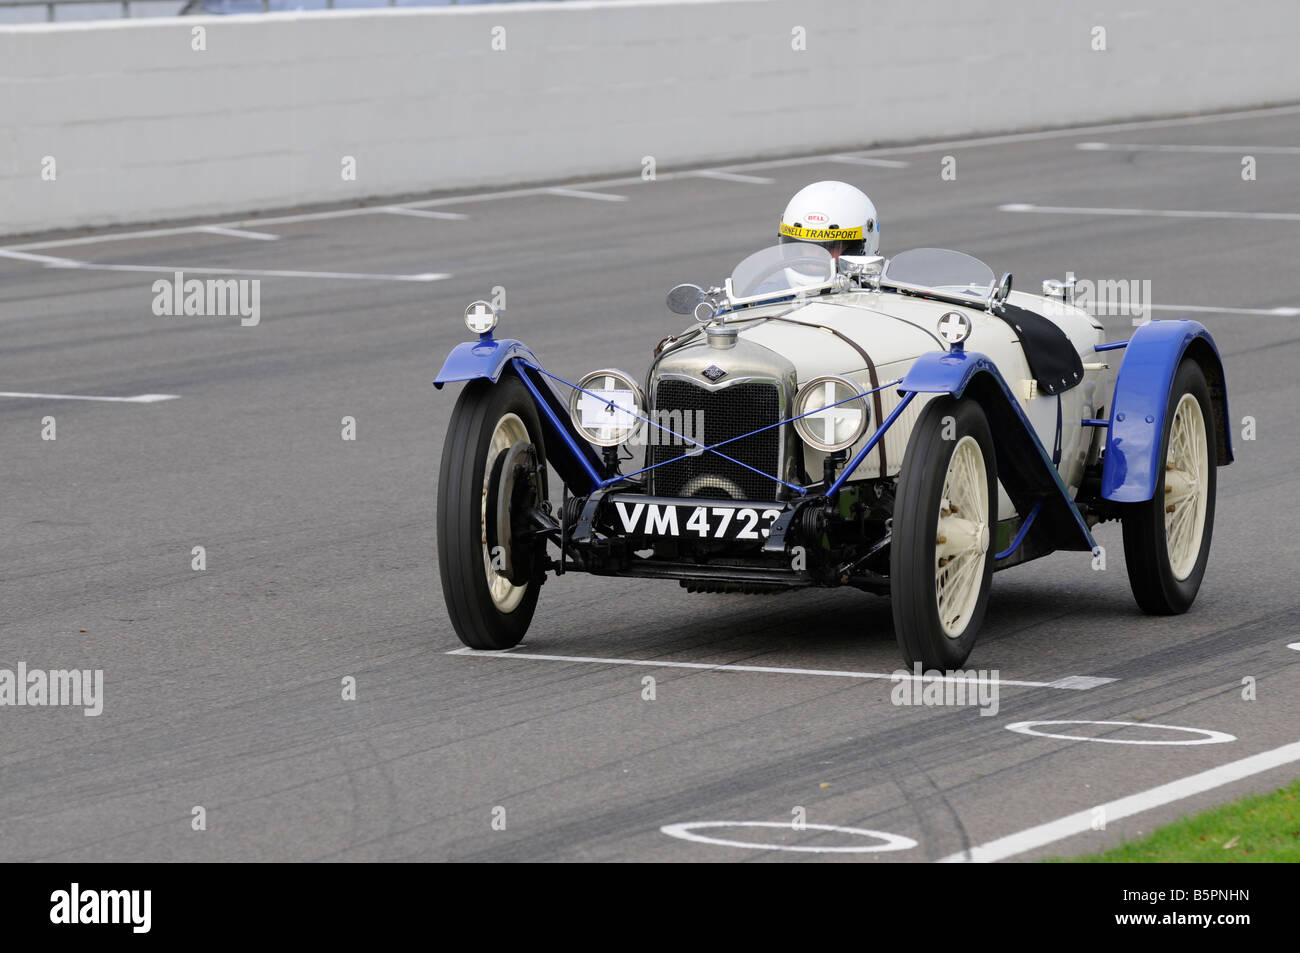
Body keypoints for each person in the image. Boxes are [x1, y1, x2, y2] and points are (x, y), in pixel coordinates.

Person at [778, 180, 879, 260]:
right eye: (806, 247)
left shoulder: (882, 286)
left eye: (829, 248)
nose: (813, 257)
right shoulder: (777, 286)